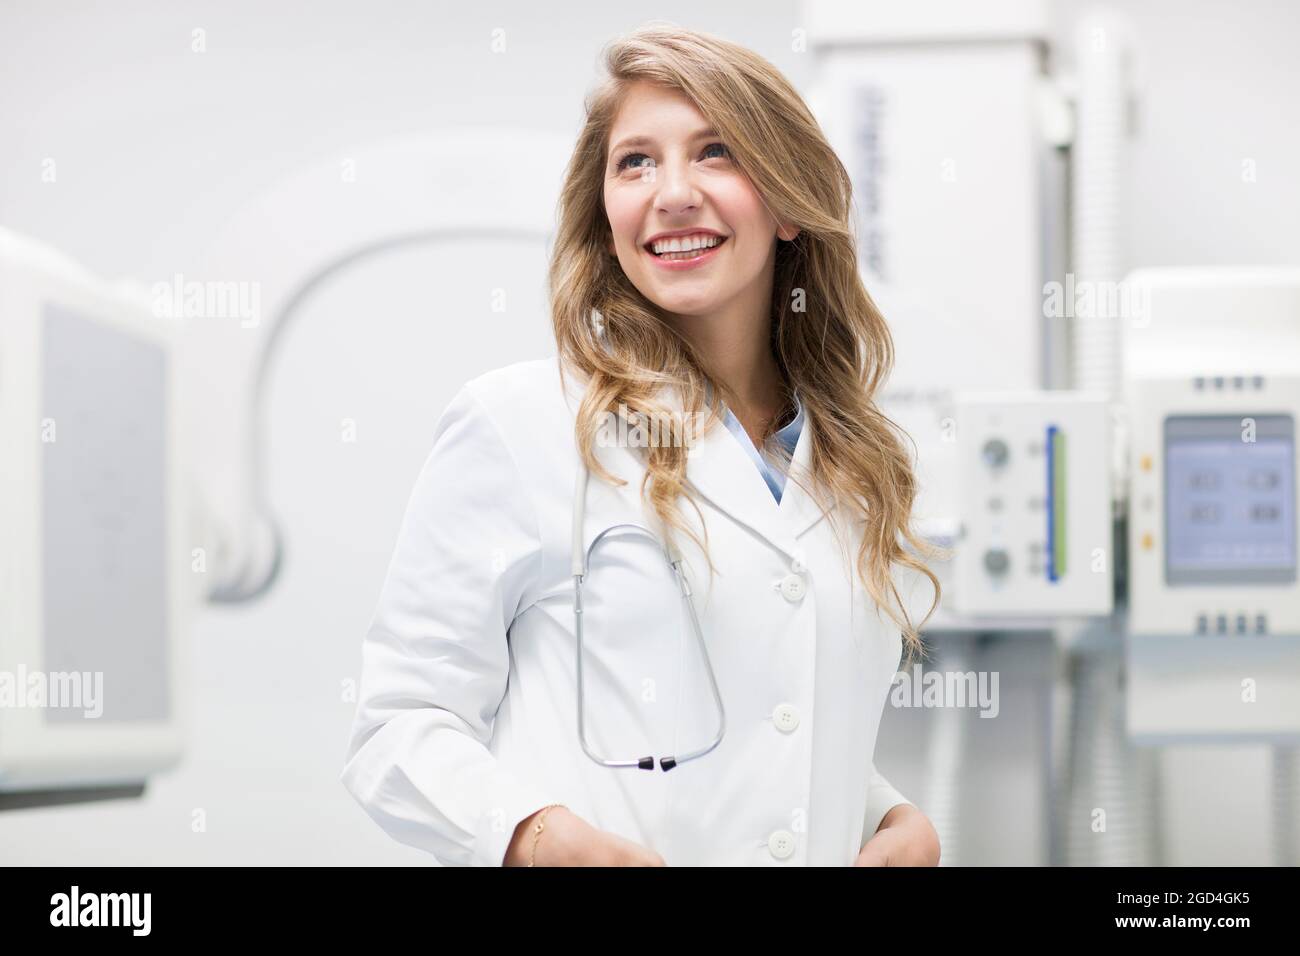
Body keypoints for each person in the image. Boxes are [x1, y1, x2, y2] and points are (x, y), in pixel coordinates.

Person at [340, 23, 942, 867]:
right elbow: (397, 725)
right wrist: (536, 838)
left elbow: (778, 717)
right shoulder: (521, 424)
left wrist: (891, 814)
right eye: (636, 162)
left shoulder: (852, 460)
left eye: (717, 152)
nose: (672, 192)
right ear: (607, 212)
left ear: (789, 208)